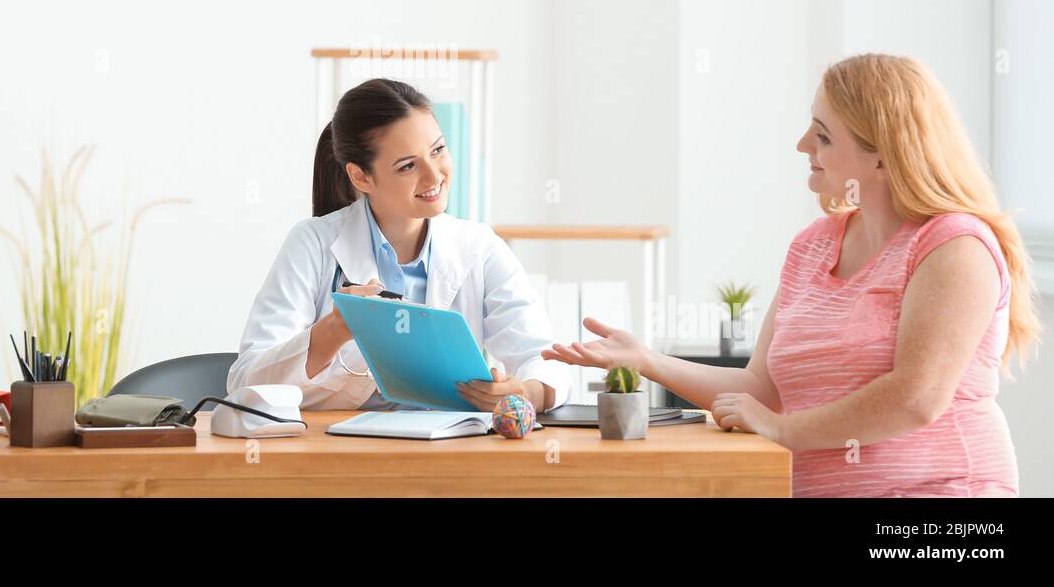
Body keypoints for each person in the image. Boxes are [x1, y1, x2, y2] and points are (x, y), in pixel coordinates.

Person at [544, 54, 1040, 496]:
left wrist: (783, 430)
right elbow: (764, 390)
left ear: (883, 158)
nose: (803, 144)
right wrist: (648, 360)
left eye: (823, 135)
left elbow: (915, 398)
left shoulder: (954, 245)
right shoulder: (813, 245)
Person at [229, 77, 571, 413]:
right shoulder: (312, 243)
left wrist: (527, 391)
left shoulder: (480, 247)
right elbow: (247, 382)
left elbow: (543, 358)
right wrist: (332, 331)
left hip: (449, 452)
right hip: (337, 453)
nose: (434, 176)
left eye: (437, 150)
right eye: (408, 166)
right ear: (361, 176)